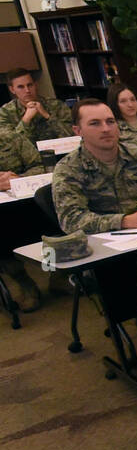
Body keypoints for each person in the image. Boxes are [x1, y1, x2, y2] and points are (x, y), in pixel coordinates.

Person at [51, 99, 137, 234]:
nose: (106, 129)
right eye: (95, 124)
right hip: (104, 243)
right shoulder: (68, 168)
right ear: (78, 131)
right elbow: (71, 220)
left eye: (110, 122)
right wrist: (125, 221)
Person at [0, 124, 45, 311]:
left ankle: (55, 274)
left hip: (24, 205)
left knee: (50, 228)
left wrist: (18, 179)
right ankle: (24, 283)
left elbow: (39, 165)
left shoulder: (10, 138)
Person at [0, 68, 73, 148]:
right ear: (12, 89)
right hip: (27, 158)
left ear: (35, 85)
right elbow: (11, 146)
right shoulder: (5, 112)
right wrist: (26, 120)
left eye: (30, 85)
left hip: (60, 154)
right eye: (21, 87)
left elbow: (73, 136)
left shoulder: (56, 105)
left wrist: (47, 116)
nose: (27, 90)